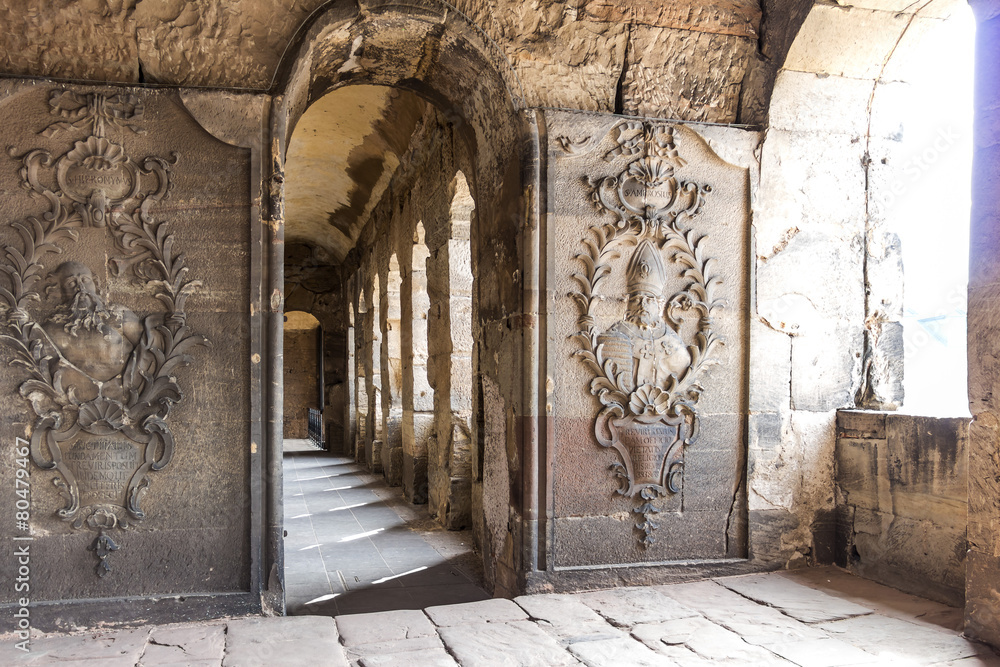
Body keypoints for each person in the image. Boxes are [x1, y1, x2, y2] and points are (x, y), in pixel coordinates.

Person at [597, 240, 690, 392]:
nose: (643, 305)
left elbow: (683, 366)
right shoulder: (617, 334)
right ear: (628, 303)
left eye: (649, 300)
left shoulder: (673, 343)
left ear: (660, 304)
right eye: (637, 299)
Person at [43, 261, 141, 384]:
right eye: (71, 283)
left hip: (127, 392)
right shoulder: (50, 329)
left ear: (95, 283)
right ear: (59, 290)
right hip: (73, 395)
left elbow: (148, 349)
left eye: (85, 280)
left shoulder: (118, 315)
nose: (81, 288)